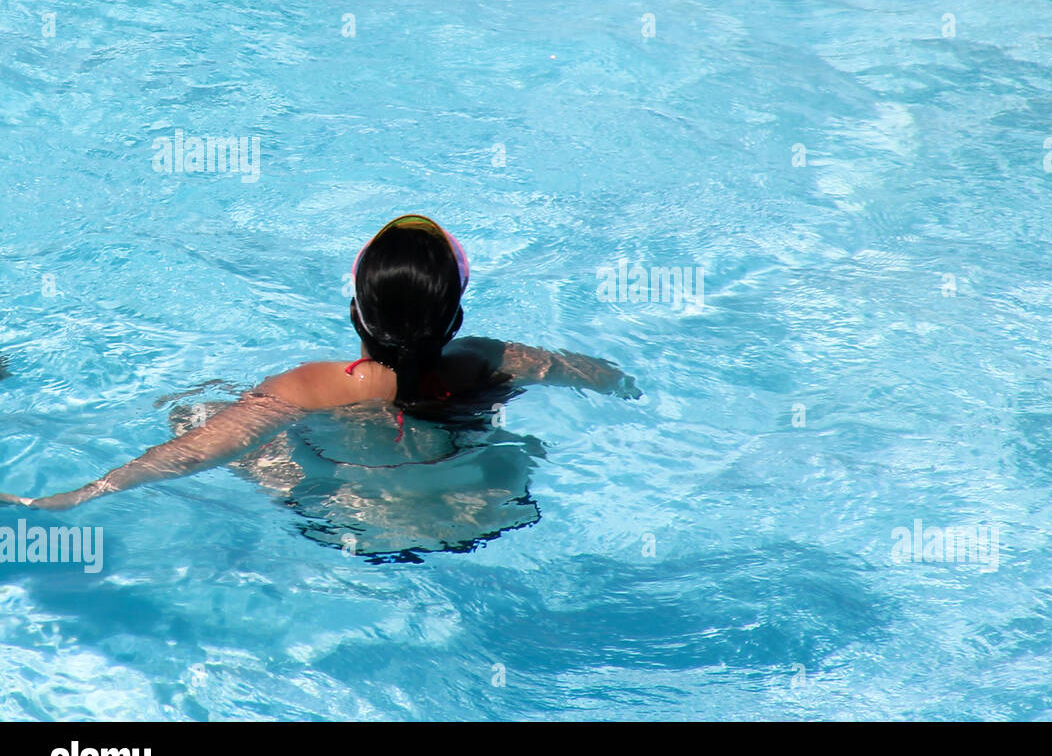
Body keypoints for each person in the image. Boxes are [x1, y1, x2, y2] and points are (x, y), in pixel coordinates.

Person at [1, 214, 638, 512]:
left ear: (356, 315)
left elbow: (199, 452)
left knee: (195, 407)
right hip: (483, 505)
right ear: (456, 319)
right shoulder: (493, 359)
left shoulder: (309, 385)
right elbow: (604, 378)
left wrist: (85, 492)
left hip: (348, 514)